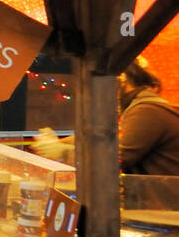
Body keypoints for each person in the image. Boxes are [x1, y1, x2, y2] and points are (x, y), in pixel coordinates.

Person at [34, 57, 179, 175]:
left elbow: (114, 160)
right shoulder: (139, 108)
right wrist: (58, 143)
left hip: (162, 206)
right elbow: (101, 136)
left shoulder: (147, 111)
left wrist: (63, 152)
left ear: (121, 80)